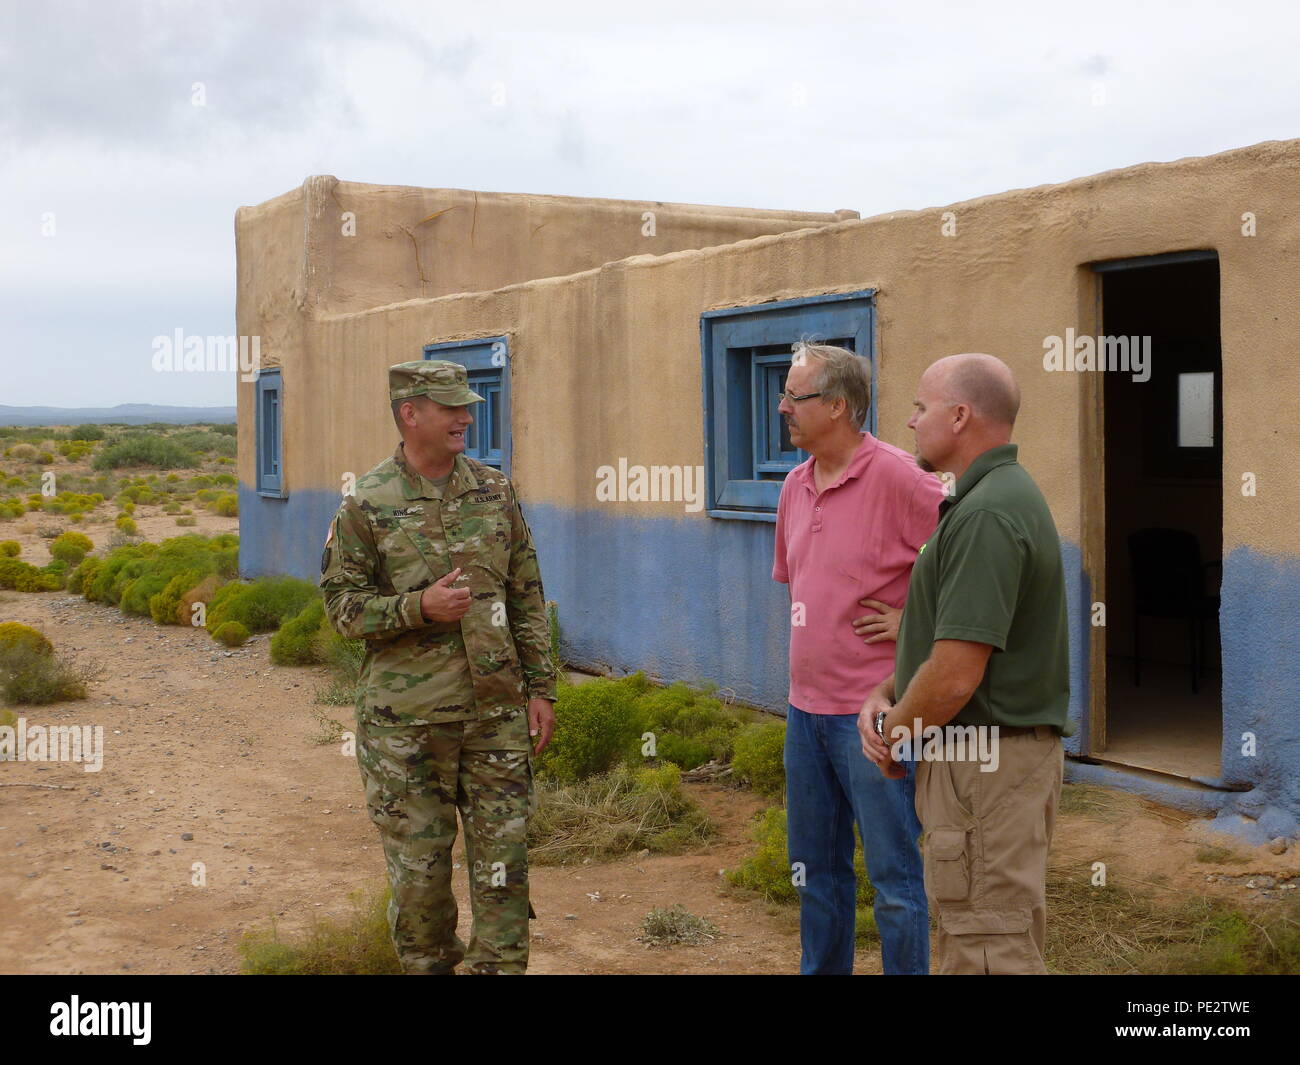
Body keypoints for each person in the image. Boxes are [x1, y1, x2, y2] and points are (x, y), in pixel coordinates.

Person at [320, 359, 557, 975]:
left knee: (504, 868)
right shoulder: (365, 503)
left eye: (467, 406)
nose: (465, 417)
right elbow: (342, 610)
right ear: (409, 414)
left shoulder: (494, 490)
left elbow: (526, 592)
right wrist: (416, 608)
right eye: (450, 407)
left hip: (496, 717)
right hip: (408, 726)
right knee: (421, 880)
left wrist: (542, 688)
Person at [859, 352, 1070, 976]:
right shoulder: (989, 499)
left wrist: (894, 735)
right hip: (984, 765)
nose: (908, 422)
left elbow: (955, 676)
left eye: (920, 408)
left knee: (984, 950)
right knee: (982, 931)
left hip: (984, 769)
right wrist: (889, 691)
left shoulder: (985, 514)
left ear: (959, 416)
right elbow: (948, 639)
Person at [772, 342, 944, 975]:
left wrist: (913, 622)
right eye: (785, 395)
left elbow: (968, 565)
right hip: (803, 712)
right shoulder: (793, 485)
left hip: (877, 718)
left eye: (796, 396)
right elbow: (802, 586)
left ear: (839, 405)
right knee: (816, 874)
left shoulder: (900, 476)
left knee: (896, 881)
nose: (783, 407)